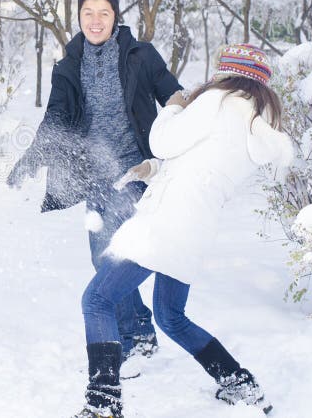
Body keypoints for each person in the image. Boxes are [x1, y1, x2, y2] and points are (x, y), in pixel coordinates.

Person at [73, 44, 292, 418]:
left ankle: (104, 403)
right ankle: (242, 385)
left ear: (227, 74)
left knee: (98, 300)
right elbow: (203, 166)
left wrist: (174, 104)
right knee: (171, 316)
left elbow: (163, 141)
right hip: (193, 230)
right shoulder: (254, 122)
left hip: (163, 223)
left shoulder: (220, 101)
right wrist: (154, 170)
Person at [7, 0, 182, 358]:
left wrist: (181, 140)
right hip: (94, 175)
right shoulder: (69, 64)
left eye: (104, 13)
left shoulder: (140, 55)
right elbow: (55, 116)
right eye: (88, 12)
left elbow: (173, 97)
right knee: (103, 260)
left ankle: (133, 338)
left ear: (115, 17)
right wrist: (31, 158)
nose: (96, 20)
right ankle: (138, 331)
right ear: (80, 17)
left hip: (136, 170)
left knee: (120, 256)